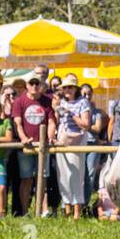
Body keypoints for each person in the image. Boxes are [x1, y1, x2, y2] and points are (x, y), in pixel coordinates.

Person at [12, 76, 55, 216]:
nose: (35, 86)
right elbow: (17, 123)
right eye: (32, 83)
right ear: (27, 85)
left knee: (42, 179)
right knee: (26, 179)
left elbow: (51, 121)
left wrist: (50, 137)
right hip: (27, 146)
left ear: (41, 85)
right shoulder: (19, 101)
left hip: (43, 145)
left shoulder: (47, 101)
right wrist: (24, 138)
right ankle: (25, 211)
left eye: (37, 83)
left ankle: (42, 211)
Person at [52, 74, 92, 219]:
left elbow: (86, 125)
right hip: (62, 139)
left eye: (70, 87)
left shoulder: (83, 103)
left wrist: (71, 114)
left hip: (77, 140)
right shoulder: (61, 102)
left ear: (76, 88)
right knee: (62, 175)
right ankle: (66, 209)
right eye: (65, 87)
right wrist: (56, 110)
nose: (67, 90)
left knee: (76, 175)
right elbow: (56, 122)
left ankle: (77, 212)